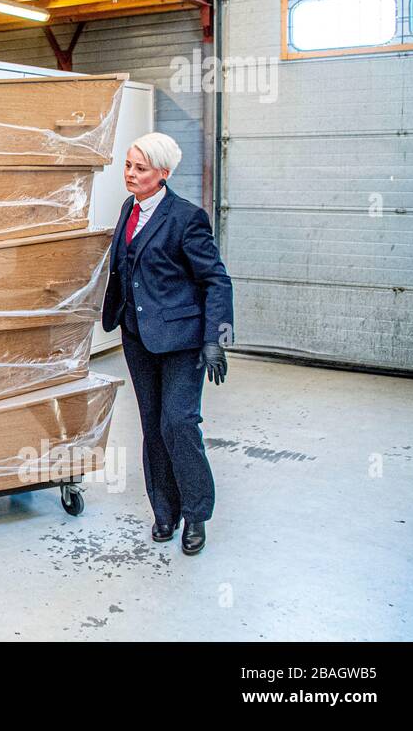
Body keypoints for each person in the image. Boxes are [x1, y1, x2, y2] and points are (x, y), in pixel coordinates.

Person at [101, 132, 232, 555]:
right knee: (153, 427)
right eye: (128, 165)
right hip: (138, 338)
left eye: (140, 168)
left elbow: (216, 280)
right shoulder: (129, 209)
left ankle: (196, 514)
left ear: (163, 174)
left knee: (179, 424)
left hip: (180, 341)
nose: (131, 174)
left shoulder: (186, 218)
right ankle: (165, 511)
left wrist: (215, 339)